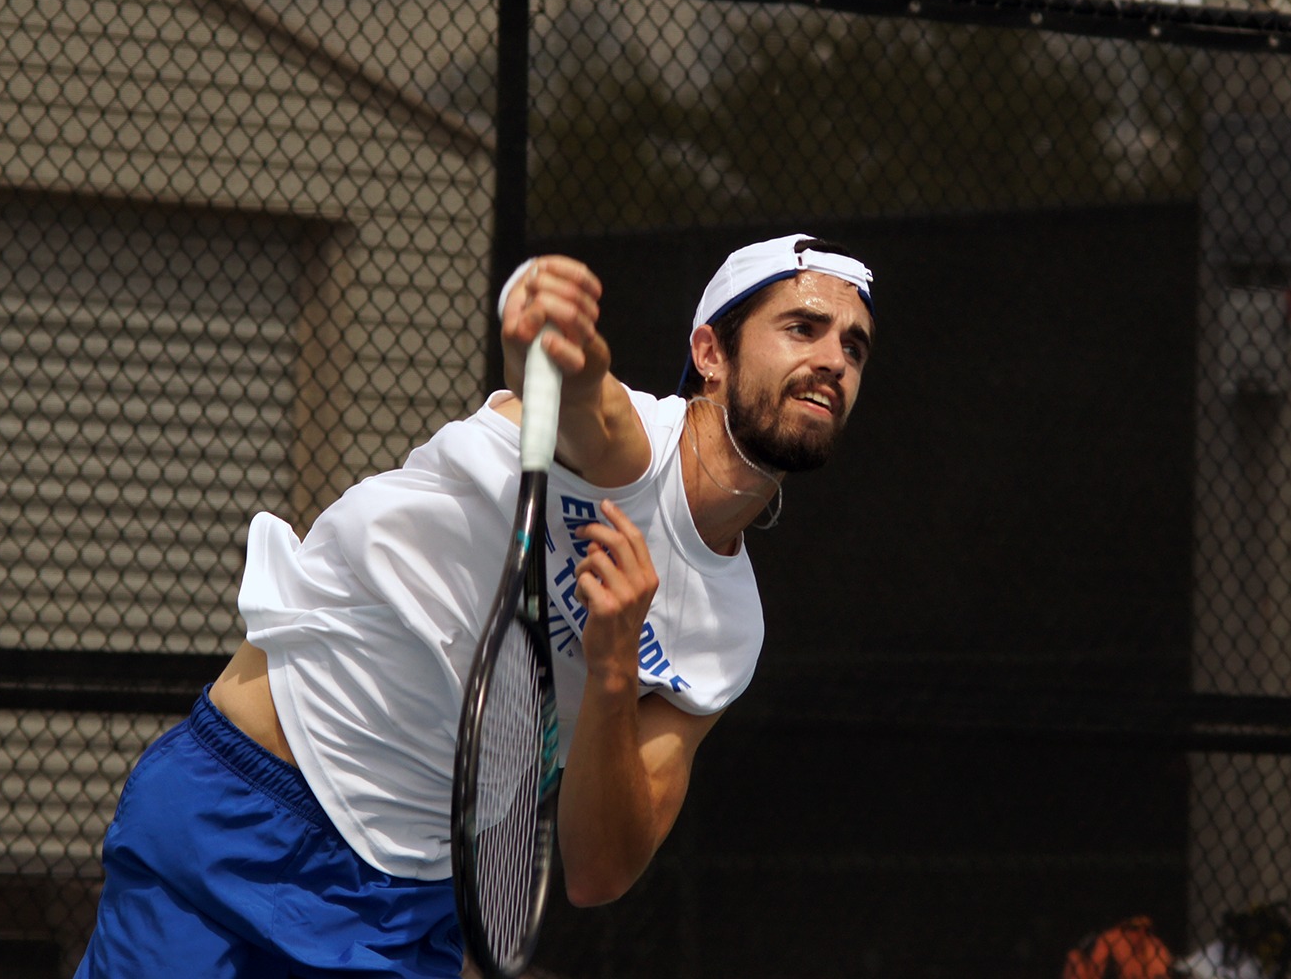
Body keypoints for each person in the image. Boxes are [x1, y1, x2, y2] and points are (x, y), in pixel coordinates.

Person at [73, 233, 877, 978]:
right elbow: (576, 389)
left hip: (406, 905)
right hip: (241, 807)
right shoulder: (627, 446)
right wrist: (537, 321)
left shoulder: (727, 633)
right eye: (803, 327)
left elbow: (600, 868)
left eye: (853, 345)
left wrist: (610, 667)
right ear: (711, 351)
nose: (833, 359)